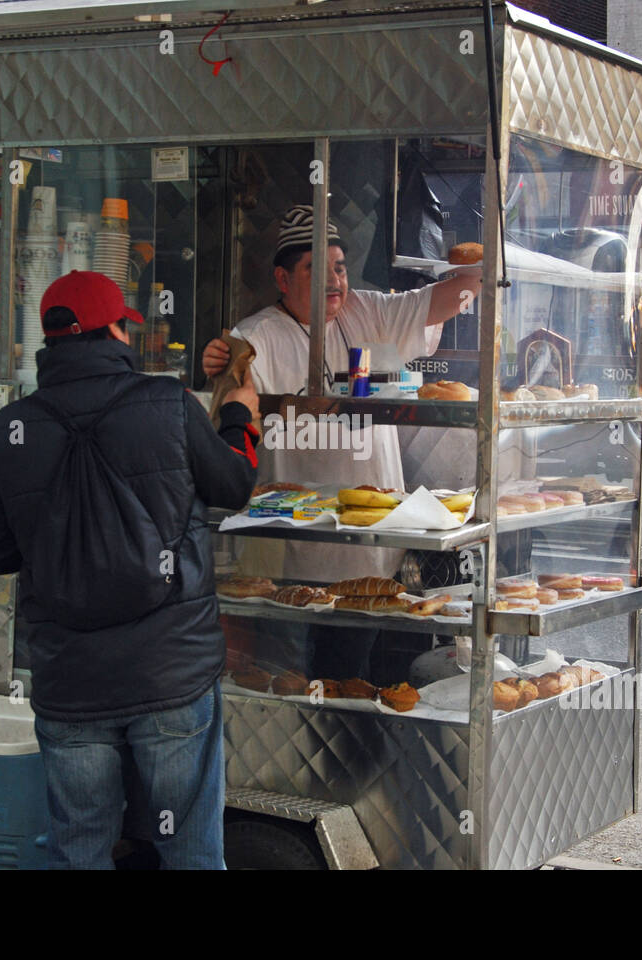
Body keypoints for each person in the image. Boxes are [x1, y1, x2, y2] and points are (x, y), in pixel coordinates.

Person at [0, 269, 260, 869]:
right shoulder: (169, 404)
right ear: (115, 331)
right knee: (192, 851)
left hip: (70, 685)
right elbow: (234, 482)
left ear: (51, 344)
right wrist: (238, 416)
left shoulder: (11, 429)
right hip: (170, 675)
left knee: (81, 850)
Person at [202, 203, 481, 678]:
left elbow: (459, 294)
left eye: (340, 266)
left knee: (354, 684)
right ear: (283, 279)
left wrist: (483, 262)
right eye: (316, 268)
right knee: (296, 686)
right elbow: (231, 407)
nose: (335, 280)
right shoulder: (259, 336)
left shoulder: (368, 312)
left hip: (372, 560)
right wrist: (223, 364)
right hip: (294, 565)